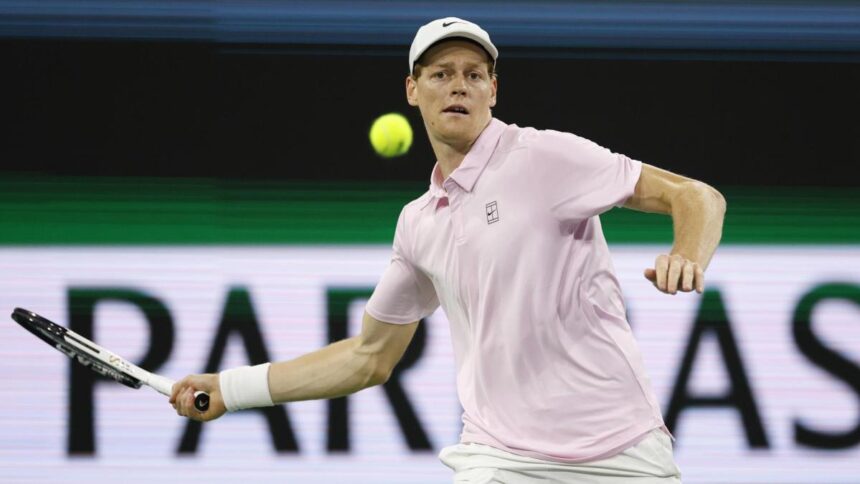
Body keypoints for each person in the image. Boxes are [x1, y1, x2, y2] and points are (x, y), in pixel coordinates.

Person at [171, 17, 725, 483]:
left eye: (473, 75)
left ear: (493, 91)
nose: (458, 85)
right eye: (441, 74)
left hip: (619, 452)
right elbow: (370, 356)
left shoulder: (544, 158)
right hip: (498, 457)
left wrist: (688, 255)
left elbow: (695, 195)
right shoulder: (418, 223)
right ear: (413, 90)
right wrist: (232, 388)